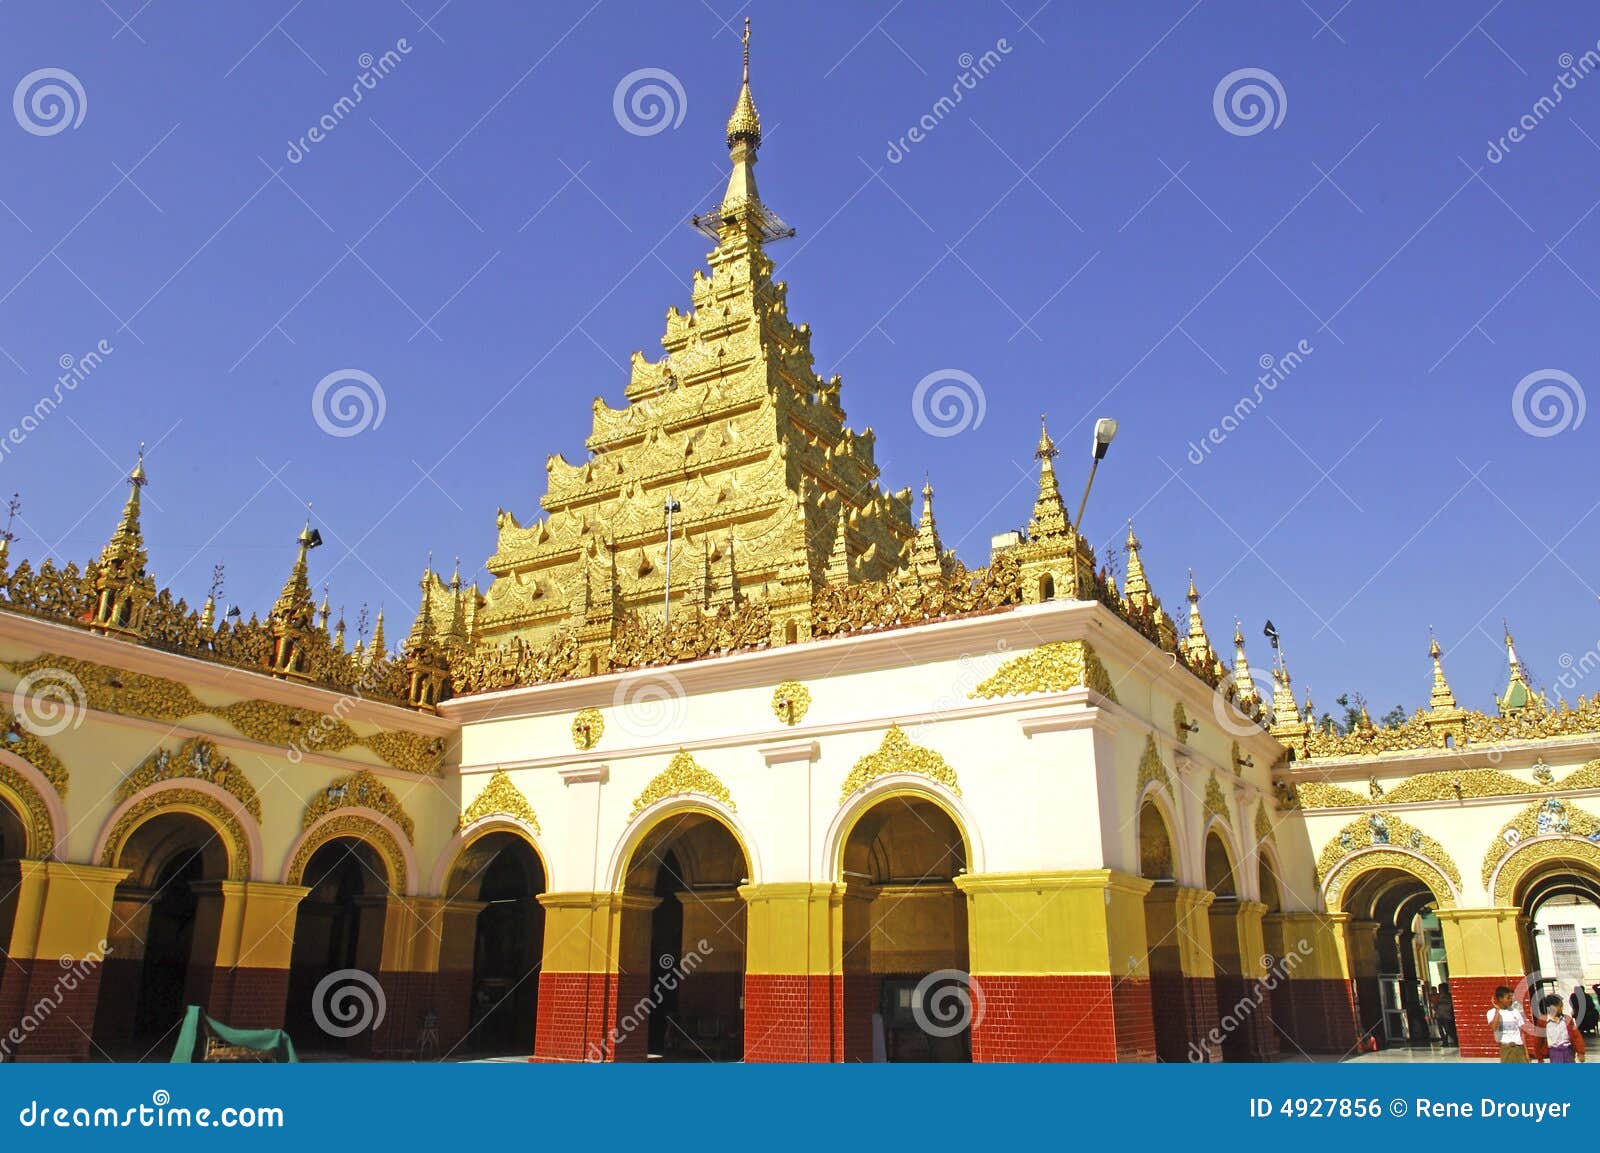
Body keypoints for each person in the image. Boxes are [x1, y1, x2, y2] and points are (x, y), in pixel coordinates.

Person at [1535, 994, 1586, 1064]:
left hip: (1568, 1052)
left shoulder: (1567, 1020)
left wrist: (1581, 1052)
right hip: (1554, 1053)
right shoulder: (1543, 1022)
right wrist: (1539, 1057)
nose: (1561, 1008)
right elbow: (1538, 1040)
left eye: (1562, 1006)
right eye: (1559, 1006)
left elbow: (1576, 1036)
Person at [1486, 986, 1529, 1063]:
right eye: (1508, 998)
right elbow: (1494, 1027)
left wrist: (1526, 1053)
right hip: (1506, 1049)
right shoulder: (1491, 1013)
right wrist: (1497, 1011)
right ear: (1500, 998)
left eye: (1511, 997)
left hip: (1519, 1049)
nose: (1511, 1000)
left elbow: (1522, 1033)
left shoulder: (1515, 1012)